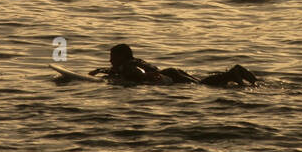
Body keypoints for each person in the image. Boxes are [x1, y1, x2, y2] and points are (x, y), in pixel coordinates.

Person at [89, 44, 258, 86]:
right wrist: (101, 70)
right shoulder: (133, 61)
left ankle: (232, 74)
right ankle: (234, 74)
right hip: (171, 72)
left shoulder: (128, 66)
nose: (110, 61)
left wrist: (143, 76)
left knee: (202, 86)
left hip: (169, 77)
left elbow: (135, 72)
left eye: (112, 57)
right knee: (201, 83)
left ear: (122, 57)